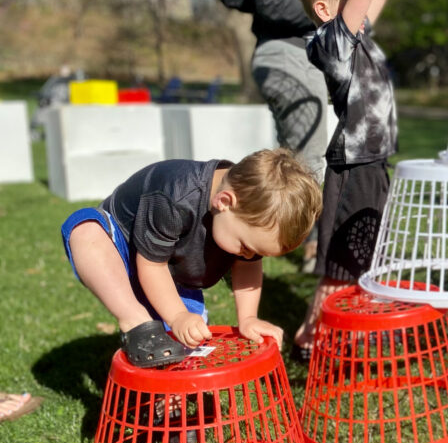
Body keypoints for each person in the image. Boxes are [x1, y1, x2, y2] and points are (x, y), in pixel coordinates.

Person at [60, 149, 322, 367]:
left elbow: (248, 266)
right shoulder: (174, 196)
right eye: (245, 246)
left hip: (173, 269)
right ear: (224, 201)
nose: (249, 256)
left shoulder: (244, 211)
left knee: (186, 344)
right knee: (84, 230)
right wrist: (177, 316)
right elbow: (151, 264)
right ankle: (137, 323)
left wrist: (248, 318)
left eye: (258, 253)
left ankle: (170, 405)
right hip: (121, 250)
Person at [290, 0, 396, 360]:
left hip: (370, 162)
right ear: (324, 7)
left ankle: (345, 333)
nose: (363, 2)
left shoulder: (353, 38)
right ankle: (311, 339)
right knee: (340, 266)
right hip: (352, 165)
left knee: (363, 257)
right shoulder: (332, 43)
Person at [246, 0, 330, 269]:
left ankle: (285, 238)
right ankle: (313, 248)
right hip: (285, 56)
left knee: (295, 158)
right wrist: (324, 15)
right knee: (309, 159)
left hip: (286, 55)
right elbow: (271, 2)